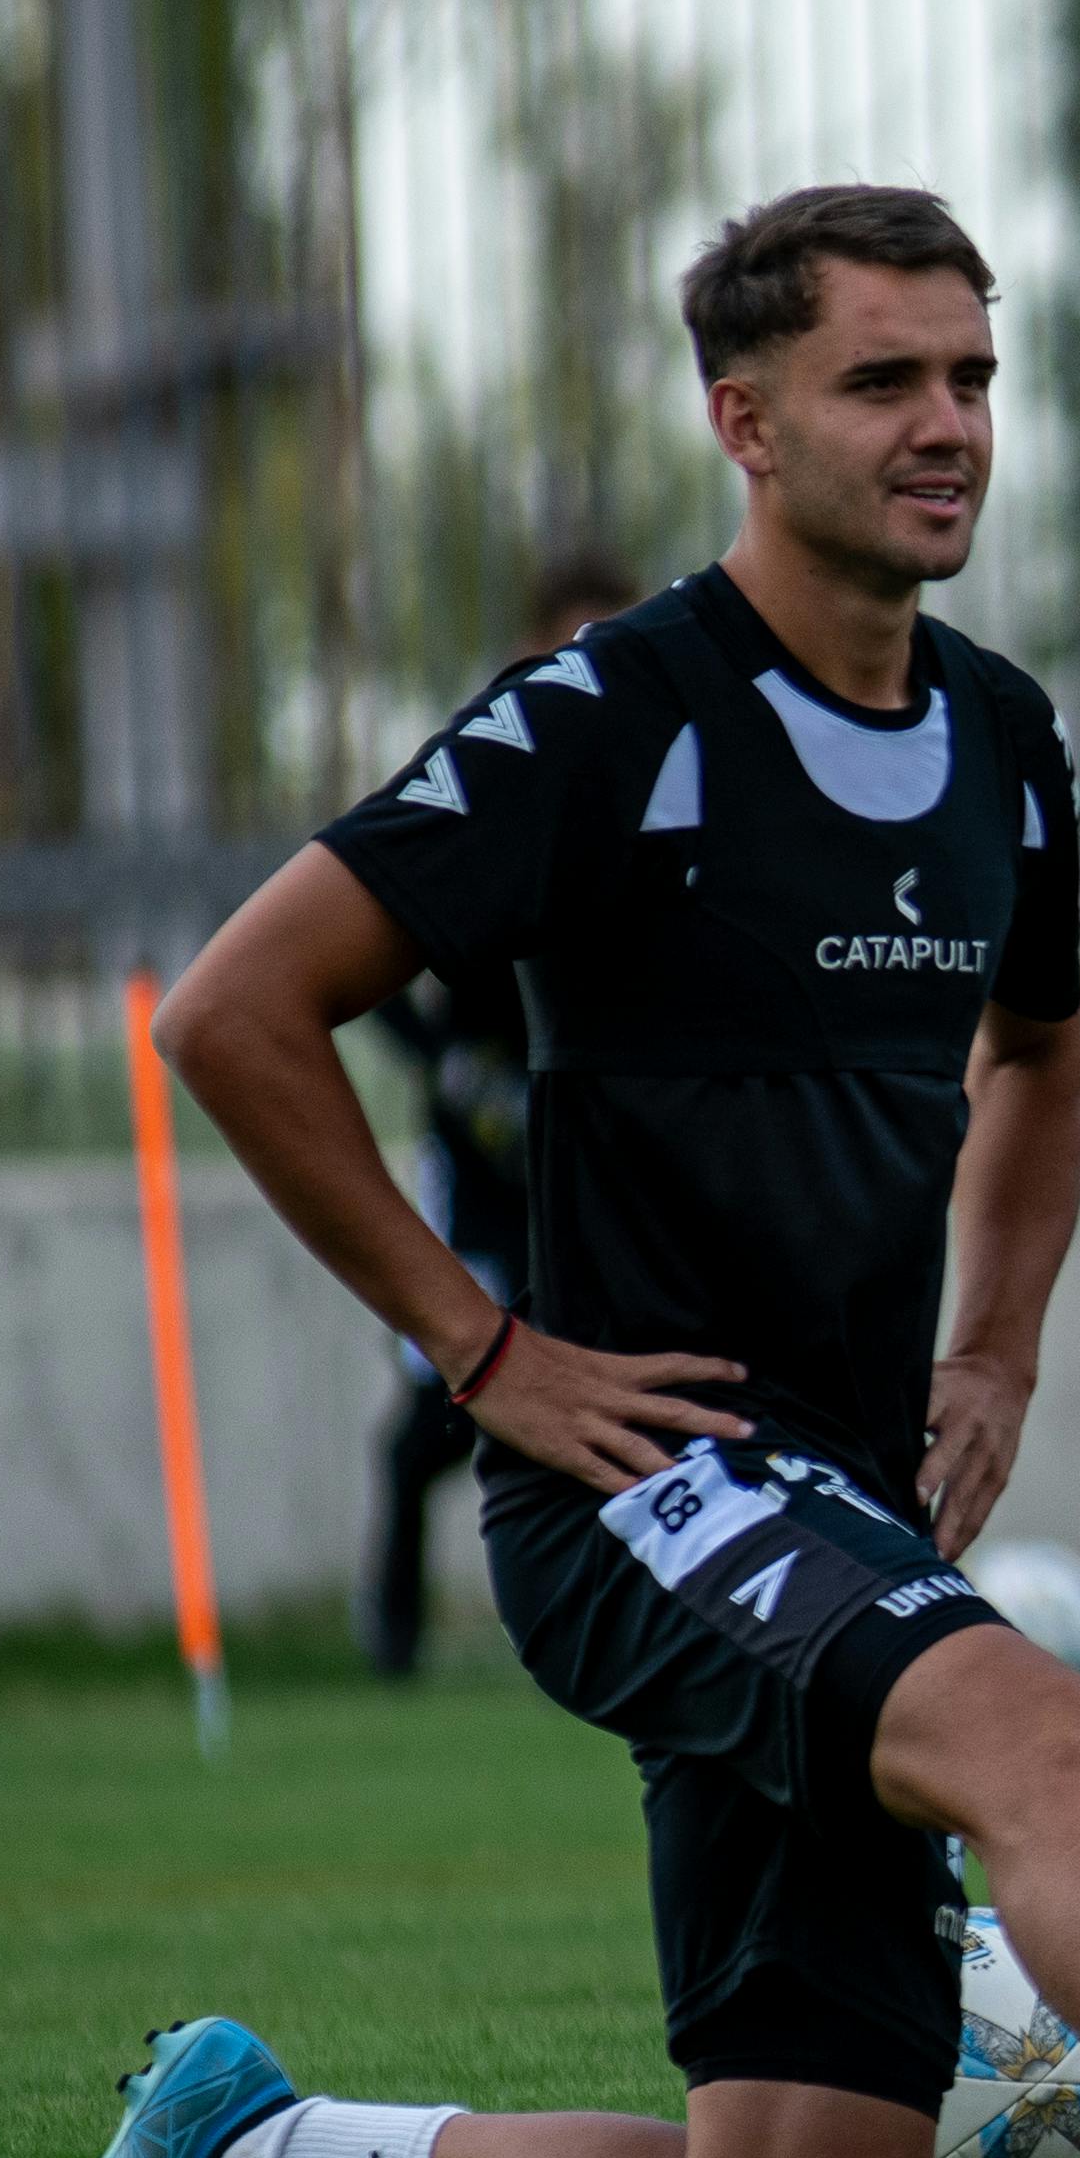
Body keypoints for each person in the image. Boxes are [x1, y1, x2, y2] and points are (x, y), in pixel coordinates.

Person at [0, 183, 1080, 2158]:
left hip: (843, 1500)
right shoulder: (607, 716)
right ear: (745, 421)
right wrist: (485, 1348)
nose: (947, 424)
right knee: (1048, 1735)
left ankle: (247, 2147)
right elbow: (231, 1008)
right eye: (885, 381)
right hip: (639, 1478)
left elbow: (1040, 1053)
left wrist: (999, 1347)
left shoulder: (1008, 744)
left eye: (972, 377)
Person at [358, 550, 643, 1679]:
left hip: (599, 1177)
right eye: (568, 647)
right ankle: (390, 1646)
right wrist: (449, 1067)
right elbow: (343, 951)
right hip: (481, 1177)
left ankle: (632, 1634)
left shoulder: (662, 791)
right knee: (436, 1418)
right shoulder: (485, 778)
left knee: (622, 1408)